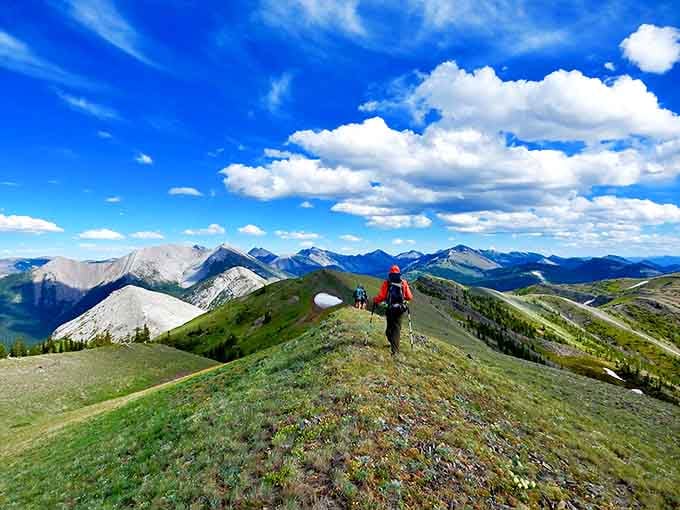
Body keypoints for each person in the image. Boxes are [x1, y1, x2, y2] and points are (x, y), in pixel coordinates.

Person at [373, 265, 413, 355]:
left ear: (390, 273)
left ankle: (394, 350)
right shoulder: (403, 283)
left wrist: (375, 299)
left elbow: (382, 296)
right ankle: (395, 347)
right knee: (397, 329)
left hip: (390, 309)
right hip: (400, 309)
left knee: (389, 330)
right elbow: (409, 297)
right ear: (399, 273)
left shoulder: (387, 283)